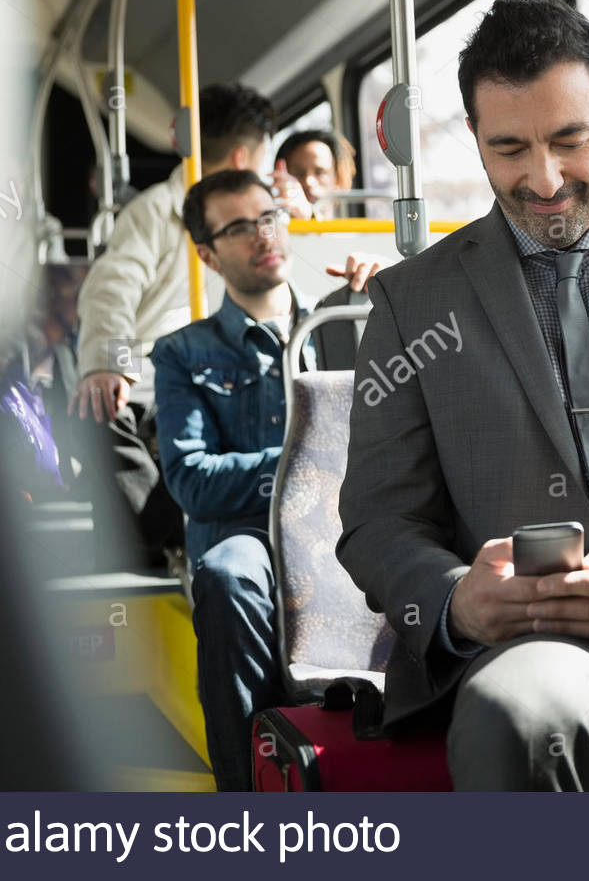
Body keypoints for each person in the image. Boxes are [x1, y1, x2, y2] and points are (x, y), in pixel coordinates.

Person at [337, 0, 589, 791]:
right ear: (477, 144)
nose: (544, 180)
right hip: (551, 660)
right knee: (518, 720)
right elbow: (379, 522)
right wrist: (457, 603)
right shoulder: (411, 305)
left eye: (570, 140)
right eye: (509, 148)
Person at [152, 169, 385, 791]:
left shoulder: (344, 323)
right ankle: (248, 791)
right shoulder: (182, 354)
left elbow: (400, 430)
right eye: (238, 227)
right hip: (253, 536)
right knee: (229, 577)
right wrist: (295, 467)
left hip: (348, 523)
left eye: (268, 217)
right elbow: (191, 480)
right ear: (207, 253)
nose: (262, 235)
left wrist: (389, 305)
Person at [69, 84, 362, 569]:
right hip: (162, 374)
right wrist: (111, 366)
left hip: (253, 359)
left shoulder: (274, 216)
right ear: (245, 156)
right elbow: (110, 292)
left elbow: (303, 293)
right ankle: (156, 542)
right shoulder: (153, 214)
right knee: (105, 405)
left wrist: (308, 221)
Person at [276, 129, 357, 219]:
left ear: (338, 179)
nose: (308, 182)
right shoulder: (271, 229)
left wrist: (310, 218)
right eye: (298, 173)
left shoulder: (356, 231)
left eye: (320, 172)